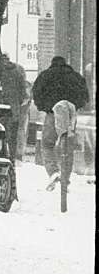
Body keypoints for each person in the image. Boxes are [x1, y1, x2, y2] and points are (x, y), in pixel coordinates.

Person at [32, 55, 90, 189]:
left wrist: (44, 107)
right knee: (68, 148)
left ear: (52, 64)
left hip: (53, 114)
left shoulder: (45, 75)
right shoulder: (75, 76)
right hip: (70, 115)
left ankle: (53, 172)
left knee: (47, 144)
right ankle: (65, 179)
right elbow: (85, 95)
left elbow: (36, 93)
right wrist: (77, 105)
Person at [0, 52, 27, 161]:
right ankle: (12, 157)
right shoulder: (17, 71)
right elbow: (23, 92)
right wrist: (17, 102)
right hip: (13, 108)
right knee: (13, 135)